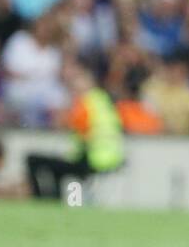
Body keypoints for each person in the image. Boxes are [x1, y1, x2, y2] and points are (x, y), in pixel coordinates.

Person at [26, 63, 125, 199]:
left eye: (76, 81)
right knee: (61, 169)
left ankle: (49, 202)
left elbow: (72, 127)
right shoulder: (102, 100)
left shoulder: (85, 103)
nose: (73, 86)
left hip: (92, 159)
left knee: (33, 160)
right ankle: (62, 203)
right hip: (110, 158)